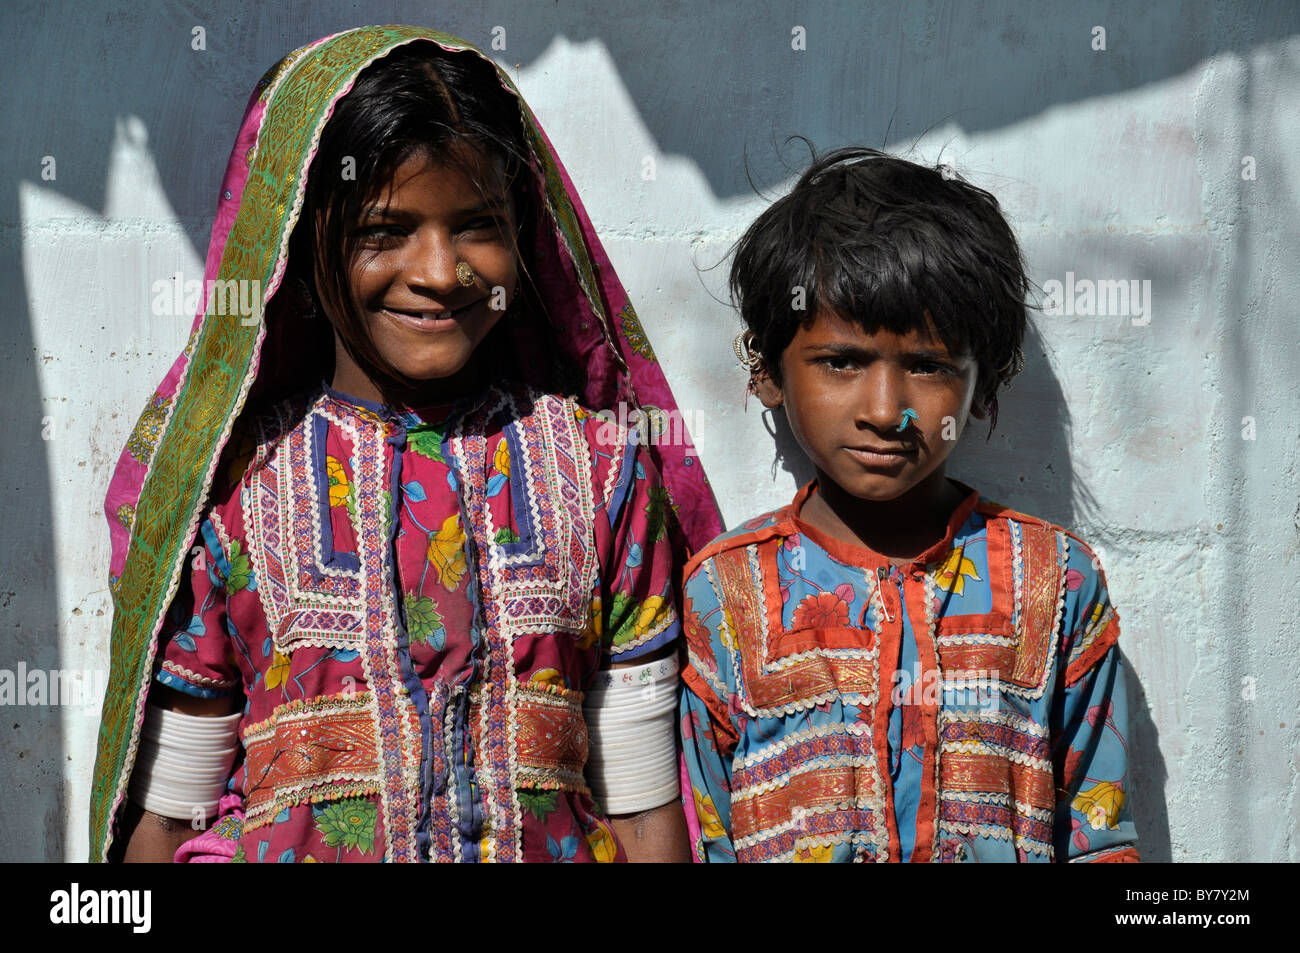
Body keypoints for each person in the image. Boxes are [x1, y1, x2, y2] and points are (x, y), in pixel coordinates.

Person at [91, 25, 721, 863]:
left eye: (476, 225)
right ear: (302, 243)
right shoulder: (232, 491)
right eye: (385, 230)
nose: (438, 270)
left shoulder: (602, 470)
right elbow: (170, 814)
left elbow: (643, 805)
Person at [678, 148, 1139, 862]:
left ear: (984, 387)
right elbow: (709, 838)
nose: (886, 410)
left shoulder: (1058, 582)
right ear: (768, 371)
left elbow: (1100, 835)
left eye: (927, 365)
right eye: (842, 361)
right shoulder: (725, 592)